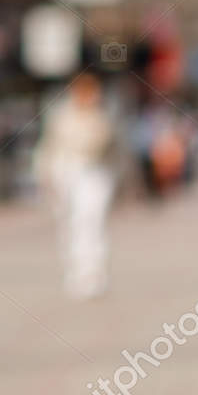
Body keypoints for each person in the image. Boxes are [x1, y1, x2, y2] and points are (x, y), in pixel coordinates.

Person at [34, 72, 118, 299]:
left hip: (95, 174)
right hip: (67, 172)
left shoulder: (102, 116)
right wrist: (45, 176)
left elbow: (108, 147)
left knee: (91, 220)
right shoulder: (62, 116)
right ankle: (76, 271)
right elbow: (49, 147)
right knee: (70, 223)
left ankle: (94, 273)